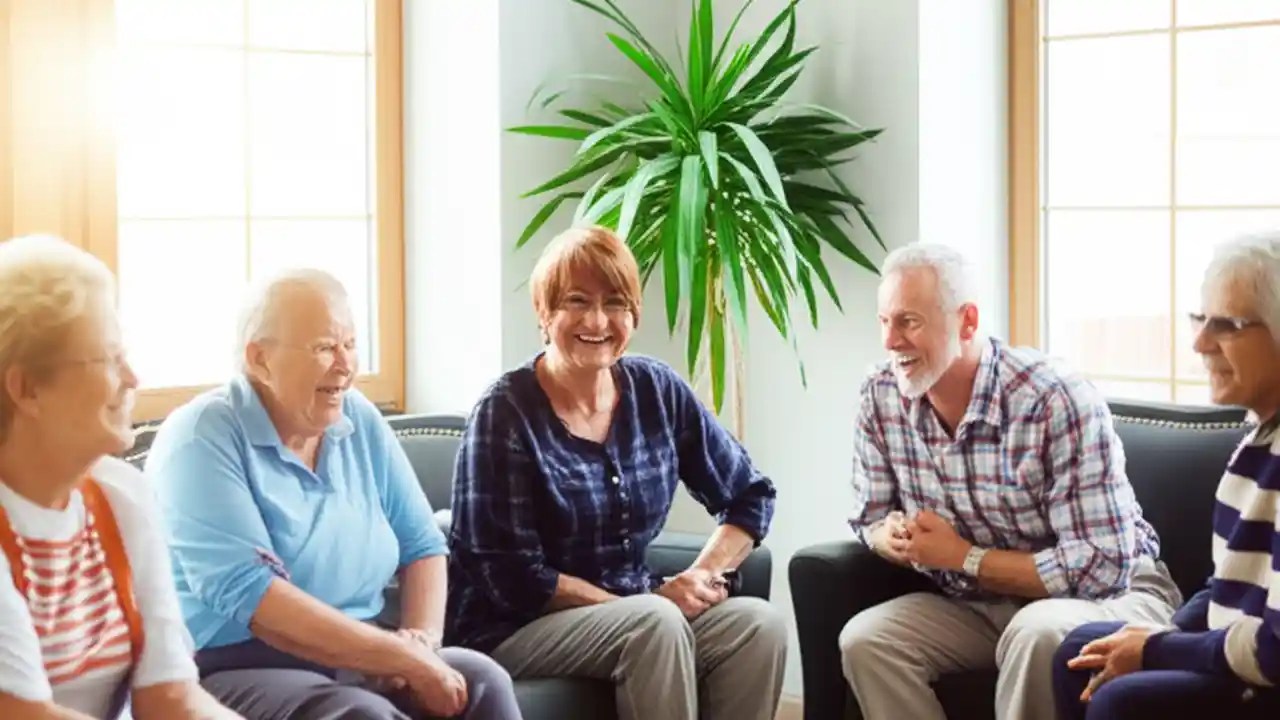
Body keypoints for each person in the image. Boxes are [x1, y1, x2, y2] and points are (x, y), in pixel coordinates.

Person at [145, 269, 521, 719]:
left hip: (364, 651)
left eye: (351, 344)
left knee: (481, 681)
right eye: (324, 347)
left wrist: (421, 643)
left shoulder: (357, 417)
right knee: (359, 714)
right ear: (260, 359)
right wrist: (396, 657)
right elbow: (252, 595)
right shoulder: (200, 438)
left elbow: (423, 546)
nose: (345, 365)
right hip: (236, 664)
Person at [446, 225, 786, 720]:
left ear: (634, 315)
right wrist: (644, 602)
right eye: (576, 301)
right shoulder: (505, 412)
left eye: (615, 303)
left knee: (757, 625)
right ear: (544, 312)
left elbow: (750, 494)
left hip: (638, 611)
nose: (597, 320)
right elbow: (512, 577)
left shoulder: (656, 390)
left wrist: (699, 575)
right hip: (512, 629)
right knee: (654, 622)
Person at [839, 243, 1181, 720]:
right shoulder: (881, 395)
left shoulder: (1052, 398)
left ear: (967, 321)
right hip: (979, 604)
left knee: (1034, 631)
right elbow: (870, 516)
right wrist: (889, 536)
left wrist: (962, 557)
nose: (890, 341)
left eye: (908, 322)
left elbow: (1103, 563)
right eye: (884, 321)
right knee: (868, 640)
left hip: (1112, 597)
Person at [0, 235, 239, 720]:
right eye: (109, 359)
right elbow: (22, 713)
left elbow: (168, 697)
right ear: (26, 388)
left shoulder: (121, 494)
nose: (132, 378)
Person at [1053, 231, 1280, 719]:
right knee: (1081, 652)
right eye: (1201, 319)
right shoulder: (1259, 439)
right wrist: (1162, 635)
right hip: (1242, 654)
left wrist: (1157, 648)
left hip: (1268, 677)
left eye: (1228, 324)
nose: (1200, 342)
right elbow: (1226, 587)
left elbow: (1275, 651)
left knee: (1120, 700)